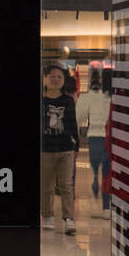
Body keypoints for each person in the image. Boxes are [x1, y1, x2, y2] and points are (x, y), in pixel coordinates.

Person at [41, 64, 80, 234]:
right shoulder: (41, 100)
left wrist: (76, 144)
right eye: (52, 76)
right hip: (45, 149)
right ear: (45, 78)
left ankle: (69, 218)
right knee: (46, 186)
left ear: (64, 81)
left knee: (66, 185)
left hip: (65, 148)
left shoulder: (68, 100)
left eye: (59, 77)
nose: (55, 79)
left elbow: (72, 123)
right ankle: (47, 215)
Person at [75, 72, 111, 219]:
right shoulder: (112, 98)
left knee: (97, 170)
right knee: (107, 172)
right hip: (108, 137)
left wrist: (76, 137)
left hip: (95, 136)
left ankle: (102, 200)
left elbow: (79, 117)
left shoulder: (88, 97)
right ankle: (106, 206)